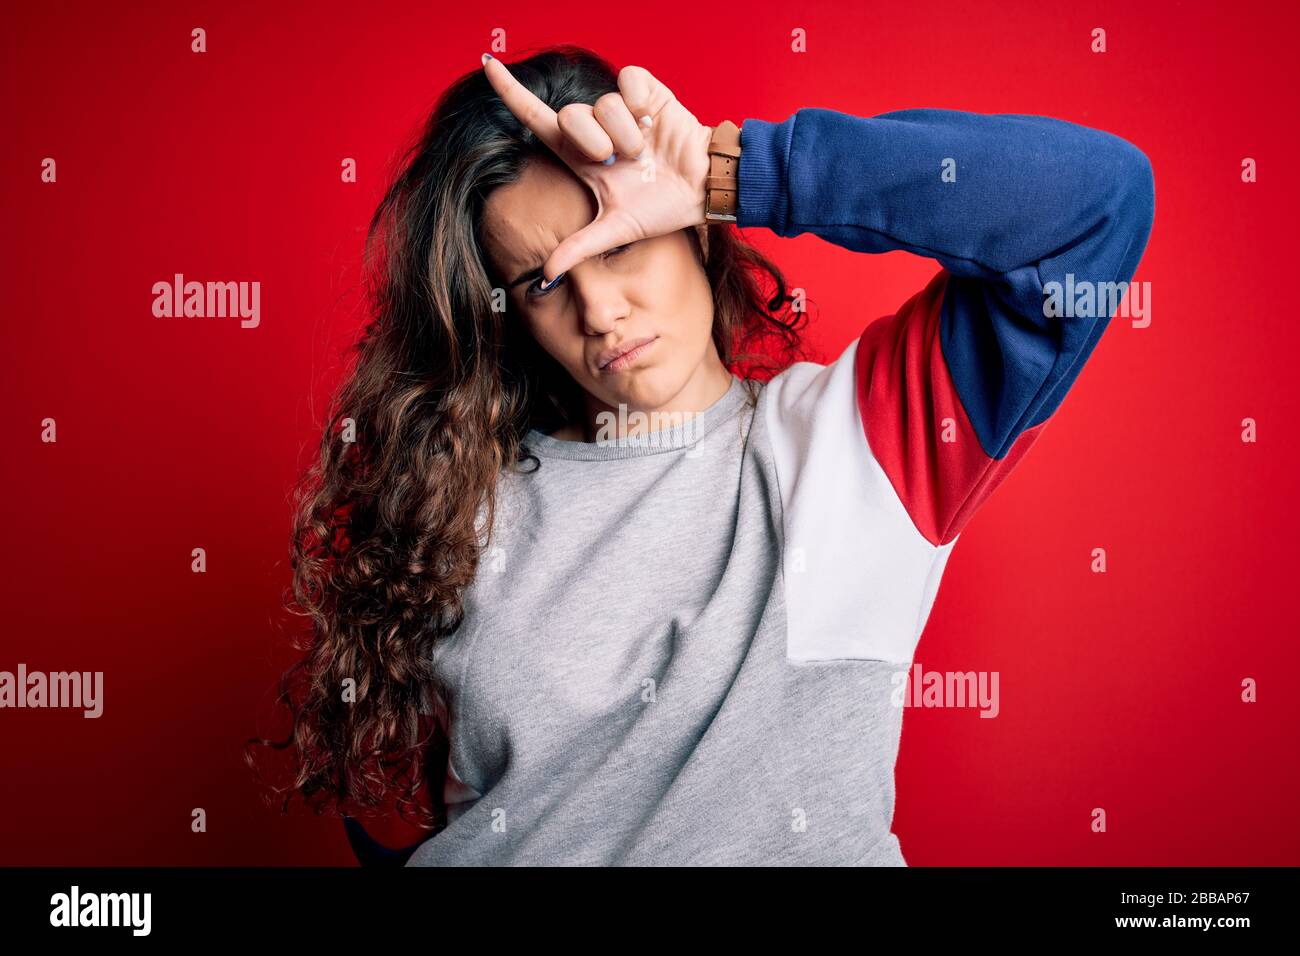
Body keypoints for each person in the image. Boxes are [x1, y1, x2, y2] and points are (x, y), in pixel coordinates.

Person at [250, 44, 1154, 866]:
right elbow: (402, 829)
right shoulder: (451, 508)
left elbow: (1096, 205)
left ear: (692, 228)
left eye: (624, 240)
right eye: (546, 280)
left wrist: (738, 172)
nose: (599, 311)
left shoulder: (859, 441)